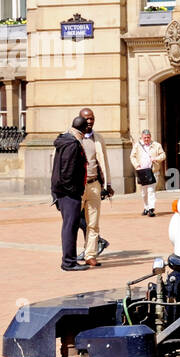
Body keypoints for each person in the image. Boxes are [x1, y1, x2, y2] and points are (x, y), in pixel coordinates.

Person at [52, 115, 89, 271]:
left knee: (71, 225)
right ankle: (68, 262)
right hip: (68, 193)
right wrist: (73, 191)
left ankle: (69, 260)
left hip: (64, 192)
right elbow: (67, 171)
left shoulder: (67, 140)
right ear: (83, 129)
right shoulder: (72, 144)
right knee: (70, 227)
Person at [77, 106, 112, 266]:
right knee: (73, 222)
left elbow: (104, 162)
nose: (90, 121)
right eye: (87, 118)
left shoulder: (98, 138)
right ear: (80, 119)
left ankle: (90, 254)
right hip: (77, 187)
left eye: (92, 118)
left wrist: (108, 184)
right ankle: (70, 255)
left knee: (93, 222)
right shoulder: (72, 138)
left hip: (94, 185)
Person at [130, 128, 167, 217]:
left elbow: (163, 155)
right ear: (142, 137)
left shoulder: (156, 145)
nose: (147, 139)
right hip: (142, 172)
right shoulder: (137, 145)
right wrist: (137, 166)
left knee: (151, 190)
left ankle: (151, 209)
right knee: (144, 192)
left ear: (150, 137)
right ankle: (146, 207)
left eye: (148, 137)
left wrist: (156, 159)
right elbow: (132, 157)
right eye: (145, 137)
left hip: (153, 171)